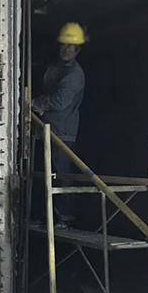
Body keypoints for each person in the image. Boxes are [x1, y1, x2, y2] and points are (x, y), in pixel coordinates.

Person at [32, 22, 88, 228]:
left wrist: (35, 103)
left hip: (62, 131)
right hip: (44, 128)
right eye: (64, 45)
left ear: (77, 50)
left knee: (61, 173)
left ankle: (64, 216)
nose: (66, 49)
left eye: (70, 46)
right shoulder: (56, 67)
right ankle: (44, 214)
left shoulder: (74, 74)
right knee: (42, 174)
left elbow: (60, 101)